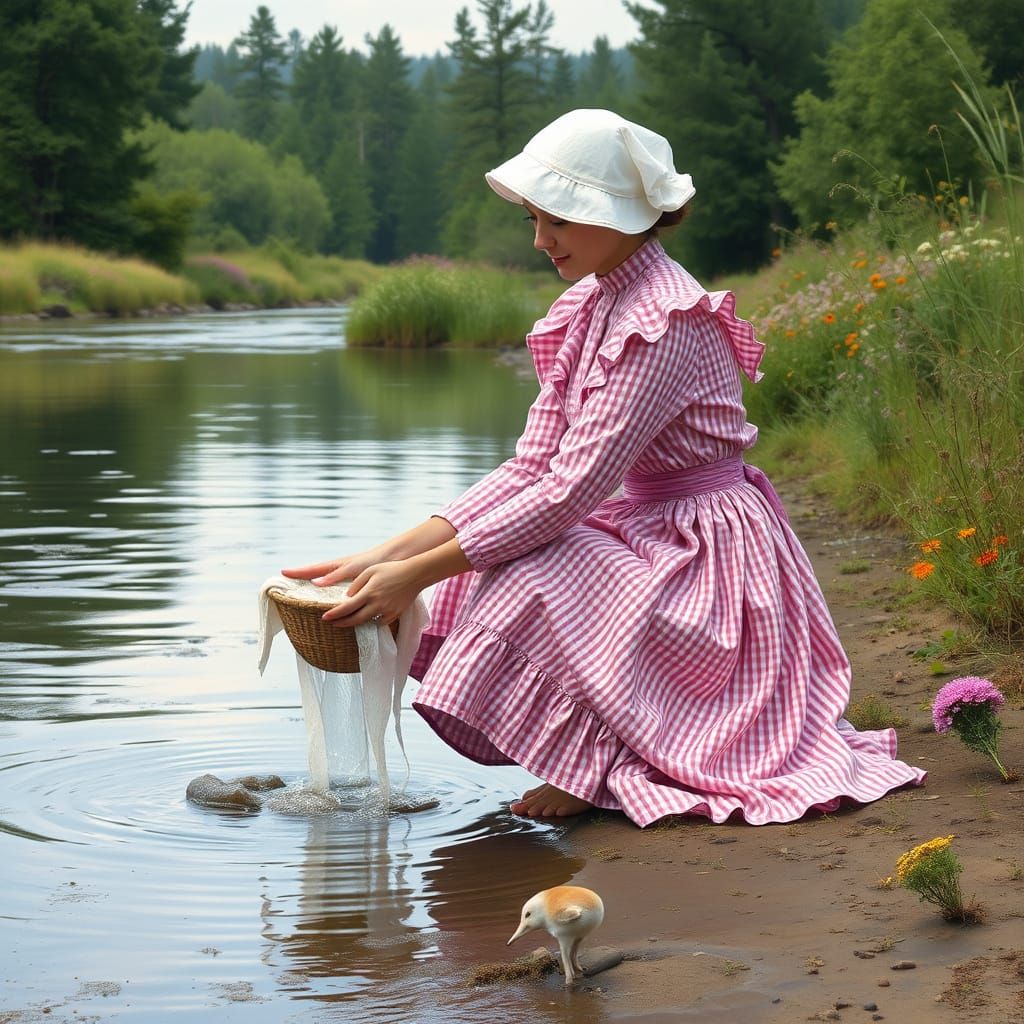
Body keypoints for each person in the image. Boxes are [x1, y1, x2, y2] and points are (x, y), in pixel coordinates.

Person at [283, 109, 925, 827]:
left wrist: (418, 574)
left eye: (555, 218)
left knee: (528, 564)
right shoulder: (591, 303)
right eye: (534, 218)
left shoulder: (664, 320)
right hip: (651, 529)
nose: (539, 239)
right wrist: (386, 553)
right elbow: (530, 467)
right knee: (495, 554)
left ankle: (595, 769)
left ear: (615, 214)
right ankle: (592, 759)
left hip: (709, 561)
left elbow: (568, 493)